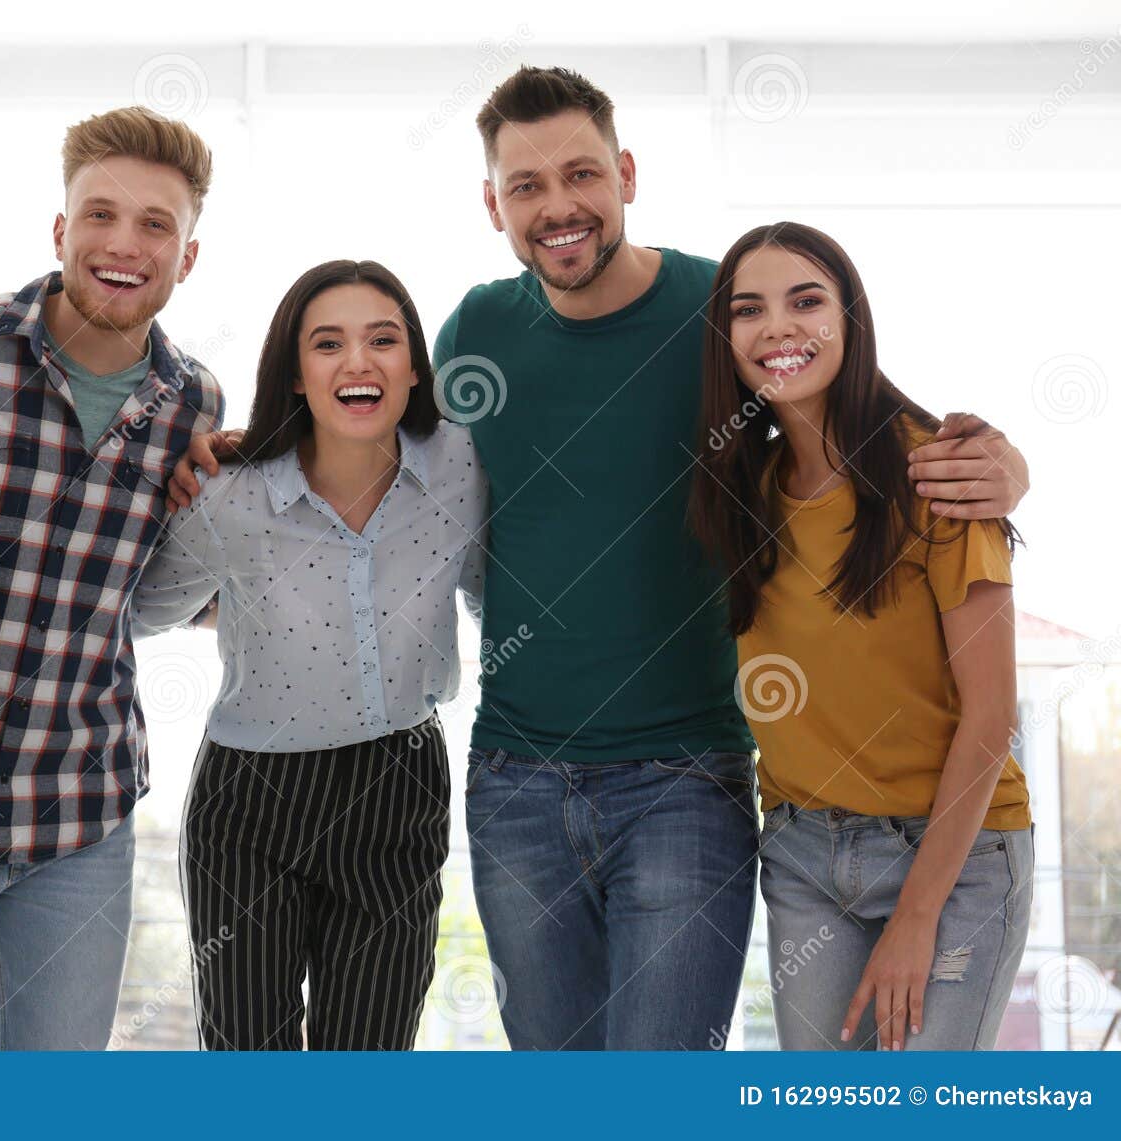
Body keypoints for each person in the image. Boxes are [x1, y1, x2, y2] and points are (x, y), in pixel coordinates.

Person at [171, 65, 1031, 1050]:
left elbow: (837, 406)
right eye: (526, 186)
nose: (558, 206)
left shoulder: (718, 307)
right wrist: (255, 452)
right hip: (516, 780)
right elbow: (379, 470)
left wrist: (1003, 464)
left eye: (581, 174)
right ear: (493, 204)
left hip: (687, 779)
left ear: (625, 174)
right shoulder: (476, 332)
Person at [0, 106, 225, 1050]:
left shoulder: (194, 401)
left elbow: (146, 597)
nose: (124, 244)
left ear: (187, 256)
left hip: (81, 812)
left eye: (156, 225)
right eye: (101, 215)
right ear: (61, 230)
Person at [690, 221, 1032, 1051]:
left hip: (955, 855)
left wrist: (918, 915)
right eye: (749, 310)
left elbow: (992, 716)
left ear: (851, 318)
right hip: (806, 854)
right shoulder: (744, 490)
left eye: (807, 301)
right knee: (830, 1106)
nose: (779, 327)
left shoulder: (939, 473)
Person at [133, 260, 485, 1049]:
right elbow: (145, 609)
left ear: (415, 366)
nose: (358, 361)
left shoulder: (462, 468)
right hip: (250, 801)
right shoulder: (229, 493)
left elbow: (497, 592)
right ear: (295, 374)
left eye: (383, 340)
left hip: (399, 786)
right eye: (328, 343)